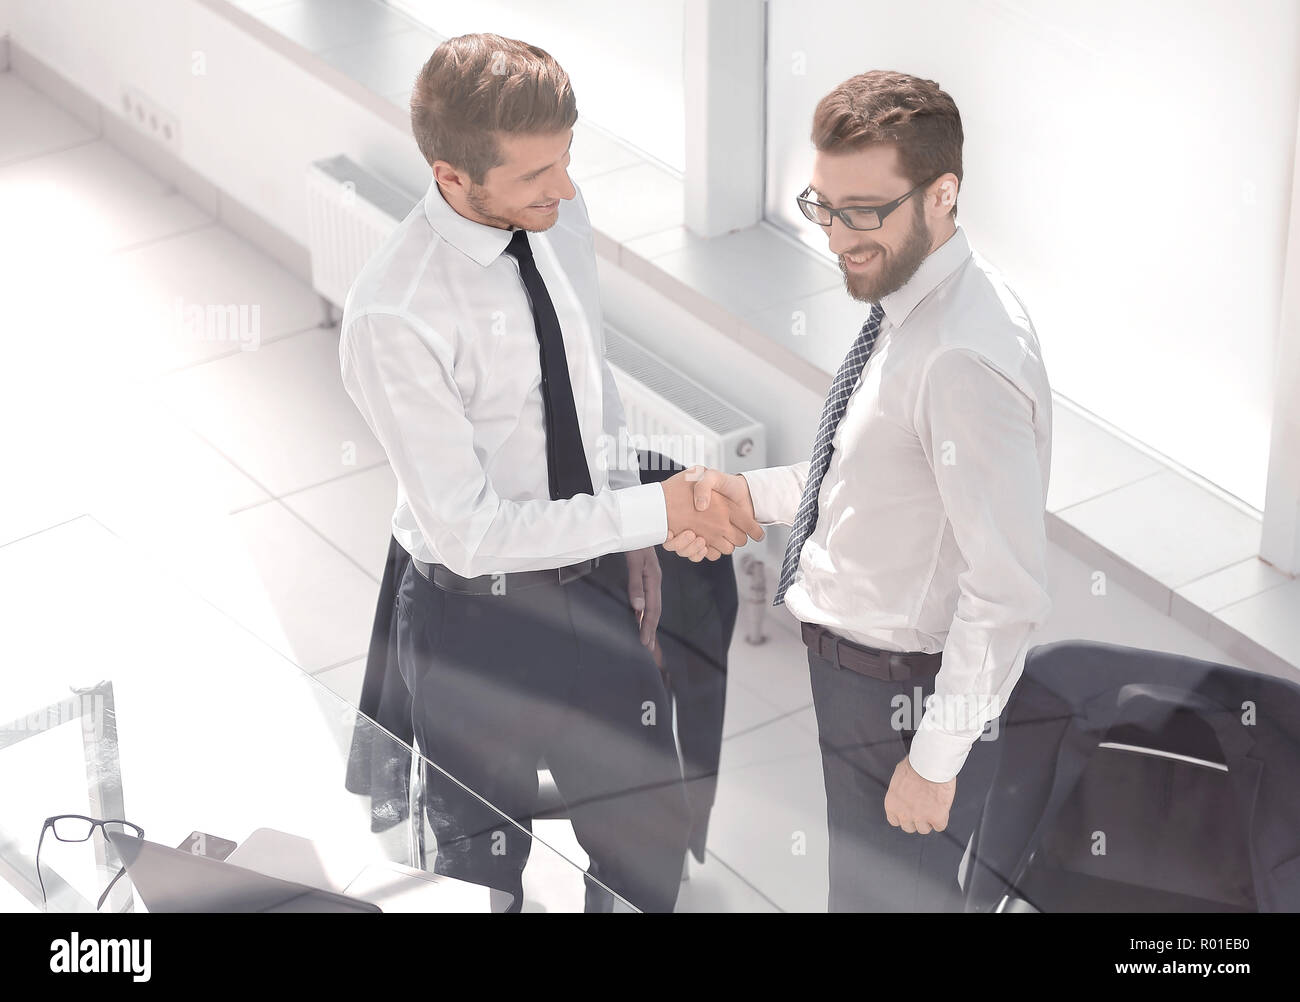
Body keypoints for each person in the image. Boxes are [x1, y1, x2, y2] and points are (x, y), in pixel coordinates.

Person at [338, 32, 763, 913]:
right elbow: (474, 533)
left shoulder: (557, 215)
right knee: (484, 868)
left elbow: (588, 383)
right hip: (474, 623)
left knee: (644, 839)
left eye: (567, 158)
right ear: (452, 176)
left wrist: (631, 529)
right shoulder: (394, 314)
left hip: (597, 587)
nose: (564, 188)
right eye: (537, 173)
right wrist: (653, 512)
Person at [665, 70, 1053, 912]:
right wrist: (749, 493)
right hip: (863, 686)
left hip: (905, 703)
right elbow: (872, 480)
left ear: (942, 193)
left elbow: (1008, 590)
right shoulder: (912, 303)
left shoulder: (961, 359)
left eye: (864, 211)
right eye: (825, 206)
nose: (838, 237)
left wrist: (934, 762)